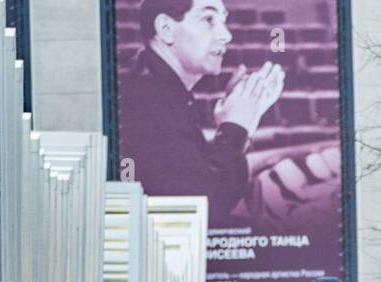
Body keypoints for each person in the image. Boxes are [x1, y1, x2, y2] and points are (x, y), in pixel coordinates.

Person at [118, 0, 284, 220]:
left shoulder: (155, 86)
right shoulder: (144, 99)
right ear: (165, 29)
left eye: (223, 20)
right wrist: (236, 128)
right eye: (208, 19)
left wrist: (233, 123)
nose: (226, 35)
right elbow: (202, 207)